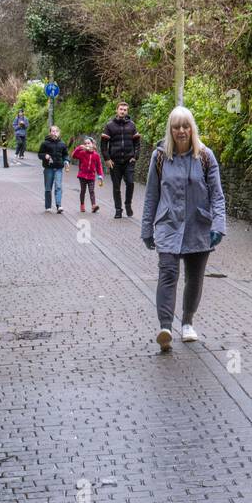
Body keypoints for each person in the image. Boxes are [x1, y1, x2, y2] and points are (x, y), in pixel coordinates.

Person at [140, 106, 226, 352]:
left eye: (185, 126)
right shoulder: (159, 158)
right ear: (170, 129)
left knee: (194, 278)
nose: (181, 131)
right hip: (168, 225)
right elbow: (151, 196)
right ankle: (165, 327)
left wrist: (218, 225)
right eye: (176, 126)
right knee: (168, 274)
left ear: (192, 128)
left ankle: (187, 322)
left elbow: (217, 196)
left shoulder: (206, 156)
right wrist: (147, 229)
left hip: (199, 226)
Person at [100, 101, 141, 220]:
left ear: (127, 111)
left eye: (125, 110)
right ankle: (118, 209)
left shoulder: (132, 125)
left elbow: (137, 143)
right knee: (116, 186)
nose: (123, 111)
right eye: (121, 109)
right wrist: (107, 159)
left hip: (129, 161)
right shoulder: (109, 126)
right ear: (117, 110)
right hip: (115, 162)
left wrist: (135, 156)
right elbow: (103, 144)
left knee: (130, 183)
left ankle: (128, 204)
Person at [37, 125, 69, 213]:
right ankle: (48, 206)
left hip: (58, 168)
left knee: (58, 186)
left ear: (59, 133)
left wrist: (66, 161)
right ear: (50, 132)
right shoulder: (45, 143)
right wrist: (45, 156)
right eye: (53, 131)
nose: (54, 133)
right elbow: (39, 154)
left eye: (56, 131)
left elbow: (66, 154)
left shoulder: (62, 144)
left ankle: (59, 205)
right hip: (48, 168)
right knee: (48, 188)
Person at [71, 137, 103, 213]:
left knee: (91, 191)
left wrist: (100, 175)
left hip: (91, 176)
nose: (87, 145)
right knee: (83, 191)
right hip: (82, 176)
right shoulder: (82, 153)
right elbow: (74, 155)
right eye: (85, 143)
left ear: (93, 144)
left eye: (89, 143)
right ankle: (82, 205)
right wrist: (79, 148)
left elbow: (99, 166)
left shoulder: (96, 155)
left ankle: (93, 206)